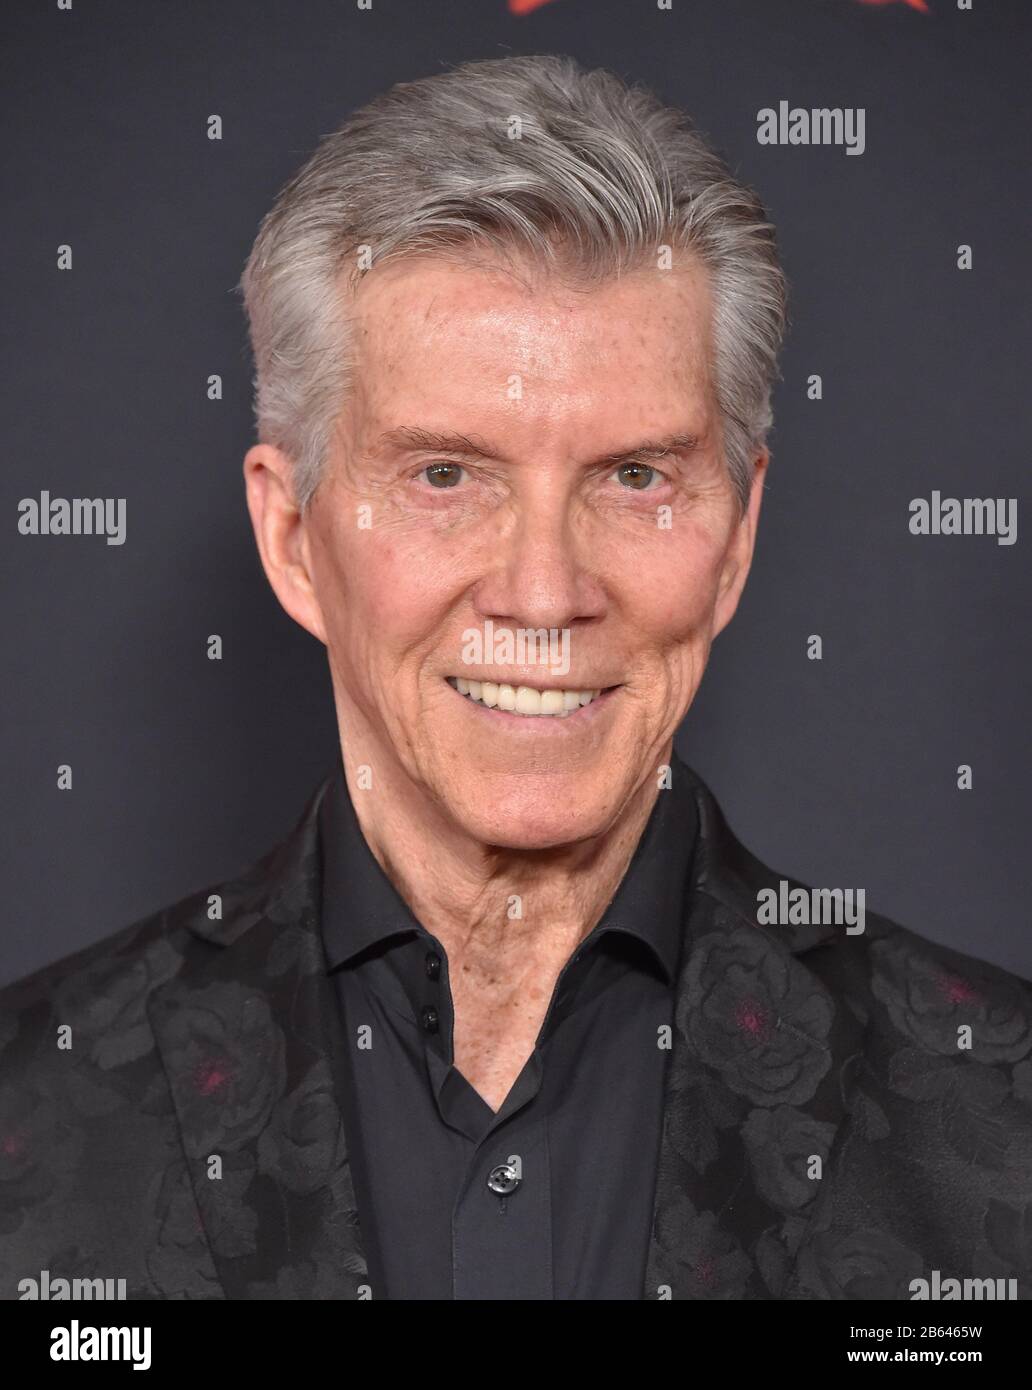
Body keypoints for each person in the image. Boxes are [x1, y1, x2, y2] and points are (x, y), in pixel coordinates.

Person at [2, 54, 1030, 1302]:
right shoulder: (33, 1109)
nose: (543, 593)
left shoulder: (999, 1108)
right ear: (292, 540)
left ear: (737, 538)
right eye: (446, 476)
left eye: (636, 477)